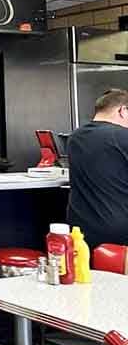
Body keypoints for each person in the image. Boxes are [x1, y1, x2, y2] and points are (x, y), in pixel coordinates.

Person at [67, 88, 128, 248]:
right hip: (120, 233)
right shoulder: (122, 136)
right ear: (122, 110)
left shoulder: (75, 137)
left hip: (82, 231)